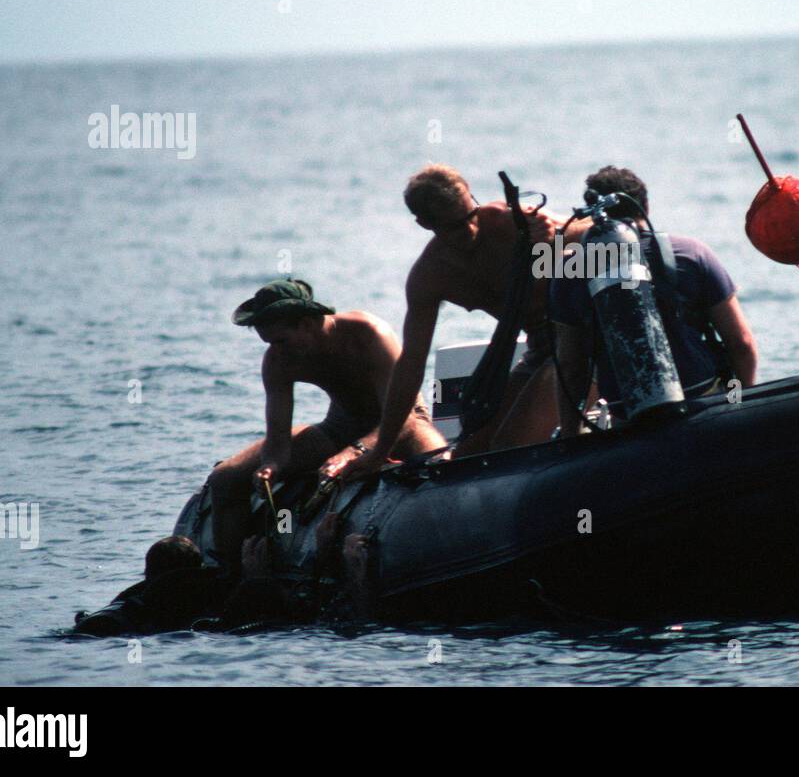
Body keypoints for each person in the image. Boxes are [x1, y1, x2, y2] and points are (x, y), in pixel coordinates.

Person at [327, 165, 571, 482]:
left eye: (471, 215)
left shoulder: (510, 220)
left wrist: (556, 237)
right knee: (473, 456)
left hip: (579, 339)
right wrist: (379, 451)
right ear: (425, 224)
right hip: (540, 350)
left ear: (471, 197)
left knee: (510, 445)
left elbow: (595, 236)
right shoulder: (430, 276)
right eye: (454, 227)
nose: (469, 229)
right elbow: (411, 363)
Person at [208, 278, 443, 570]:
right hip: (339, 427)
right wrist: (271, 466)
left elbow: (403, 416)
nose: (276, 351)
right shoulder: (278, 361)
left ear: (307, 324)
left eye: (281, 341)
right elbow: (278, 441)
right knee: (224, 478)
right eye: (268, 343)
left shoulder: (368, 335)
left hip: (403, 424)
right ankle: (233, 576)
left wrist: (354, 452)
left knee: (446, 470)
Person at [549, 166, 758, 434]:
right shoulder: (692, 253)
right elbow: (741, 343)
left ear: (590, 213)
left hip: (630, 416)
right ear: (644, 205)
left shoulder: (570, 270)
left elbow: (570, 366)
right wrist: (743, 406)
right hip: (704, 403)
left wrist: (569, 435)